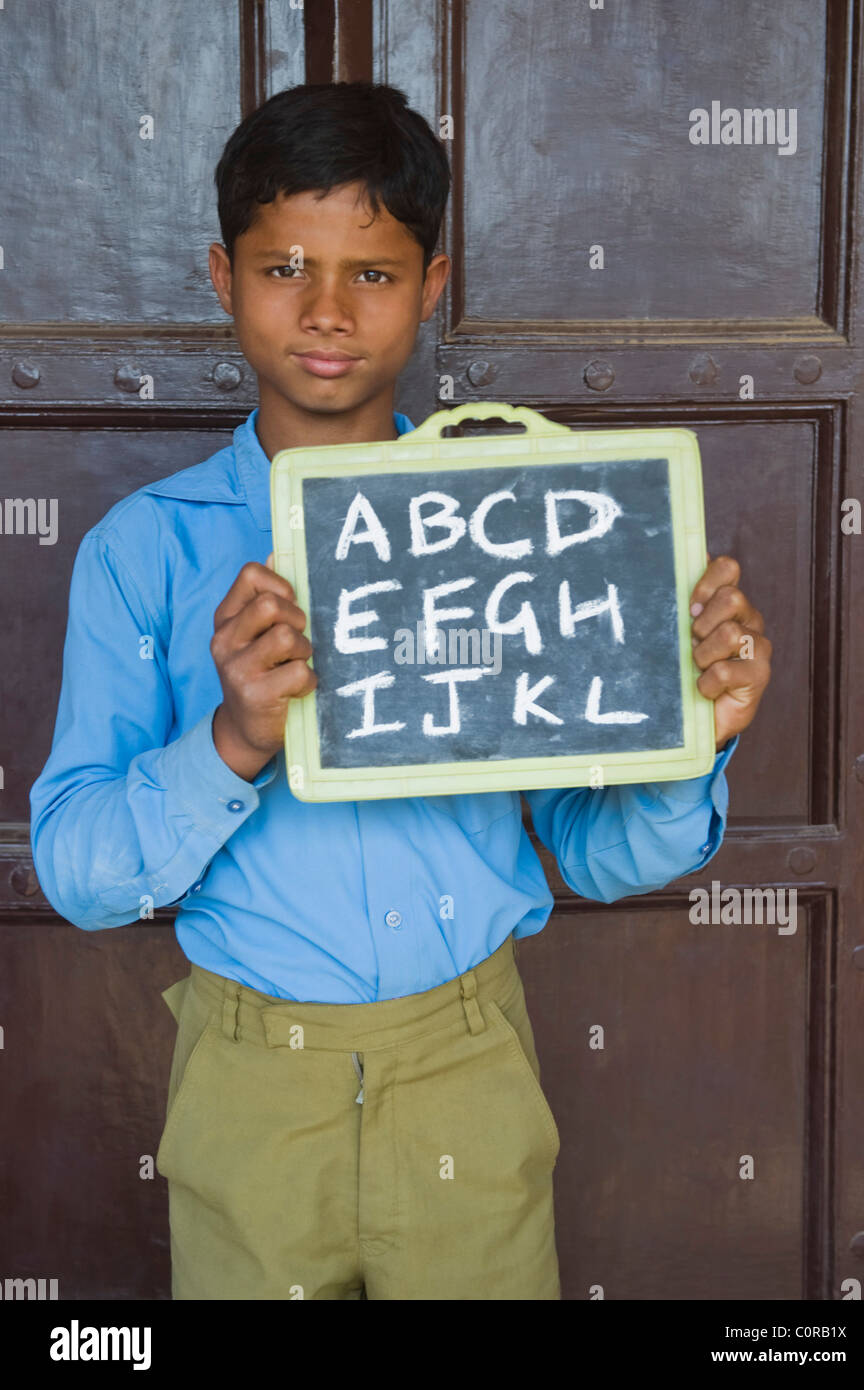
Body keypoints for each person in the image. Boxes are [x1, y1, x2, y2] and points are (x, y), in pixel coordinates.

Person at [30, 82, 772, 1300]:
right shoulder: (142, 551)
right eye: (285, 267)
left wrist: (690, 738)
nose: (326, 310)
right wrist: (231, 738)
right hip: (247, 1078)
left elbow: (585, 852)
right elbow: (78, 871)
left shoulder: (513, 531)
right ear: (222, 278)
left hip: (466, 1069)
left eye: (372, 274)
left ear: (430, 288)